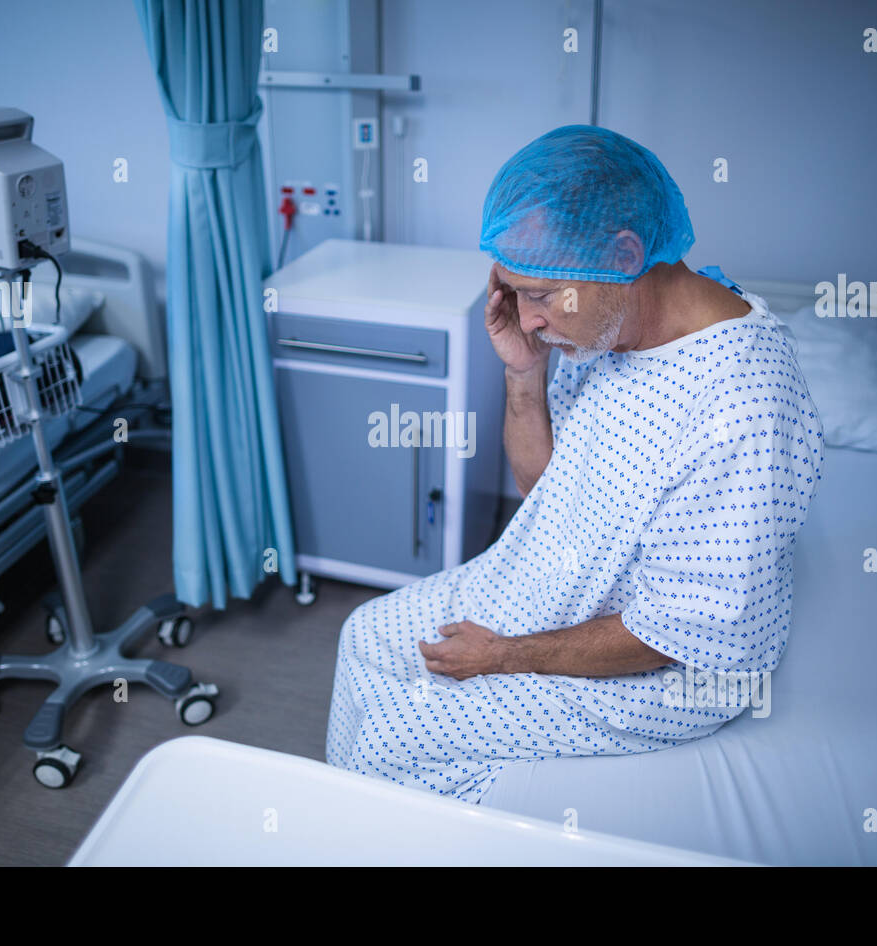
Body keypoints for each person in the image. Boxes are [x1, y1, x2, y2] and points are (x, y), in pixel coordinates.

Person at [325, 125, 824, 802]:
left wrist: (504, 657)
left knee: (396, 733)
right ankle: (341, 825)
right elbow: (543, 489)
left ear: (624, 253)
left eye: (537, 293)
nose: (526, 319)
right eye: (515, 291)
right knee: (362, 639)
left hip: (667, 671)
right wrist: (522, 375)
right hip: (560, 583)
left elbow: (674, 635)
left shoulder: (741, 407)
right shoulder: (601, 330)